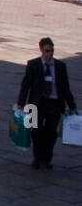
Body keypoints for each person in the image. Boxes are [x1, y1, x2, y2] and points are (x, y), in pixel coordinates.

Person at [17, 37, 77, 170]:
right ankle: (37, 158)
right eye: (47, 51)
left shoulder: (60, 66)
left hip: (54, 102)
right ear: (41, 50)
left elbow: (65, 87)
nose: (50, 53)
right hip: (37, 104)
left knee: (51, 133)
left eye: (52, 51)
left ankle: (46, 158)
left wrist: (71, 105)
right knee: (36, 131)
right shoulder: (33, 65)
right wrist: (21, 103)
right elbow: (26, 85)